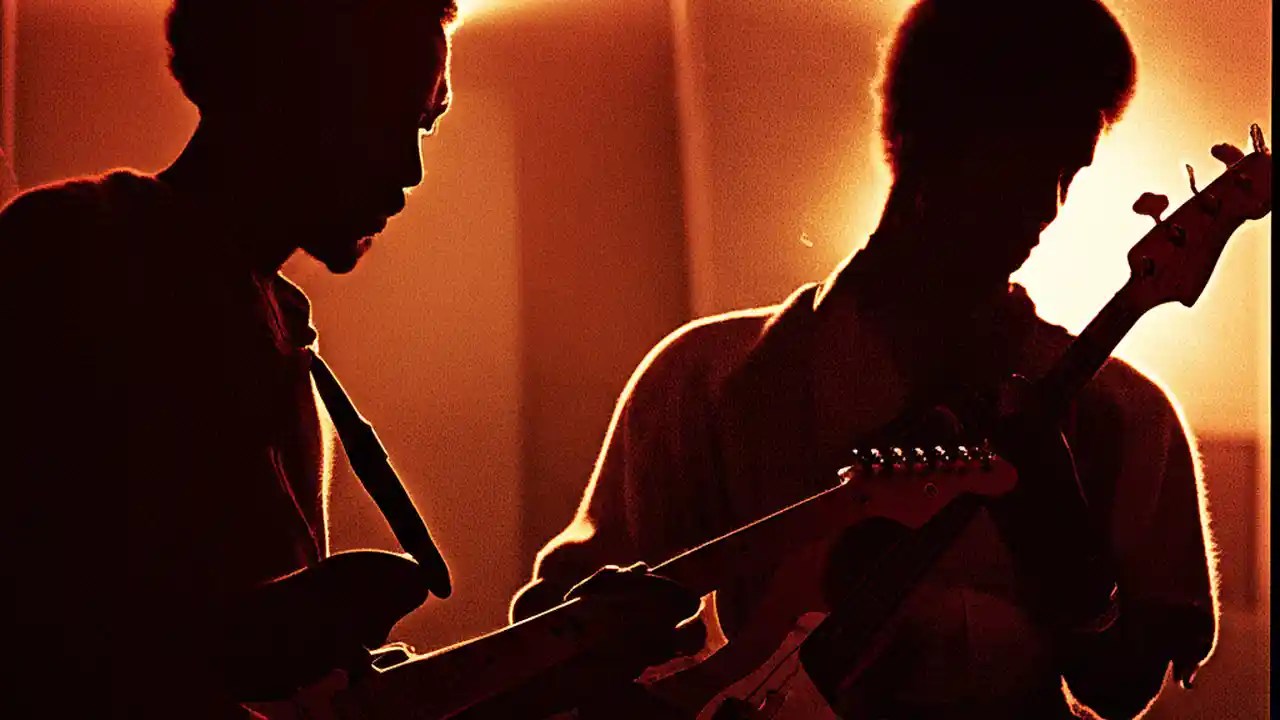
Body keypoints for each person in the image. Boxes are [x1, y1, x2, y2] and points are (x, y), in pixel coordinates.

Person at [511, 0, 1219, 718]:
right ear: (921, 135)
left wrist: (1073, 571)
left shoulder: (1126, 414)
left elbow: (1131, 688)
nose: (1048, 202)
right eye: (1022, 156)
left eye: (1070, 167)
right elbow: (561, 649)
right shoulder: (702, 382)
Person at [0, 2, 461, 717]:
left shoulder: (281, 326)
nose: (409, 169)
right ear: (279, 92)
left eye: (424, 123)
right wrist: (250, 640)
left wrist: (561, 652)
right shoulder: (70, 253)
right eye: (381, 118)